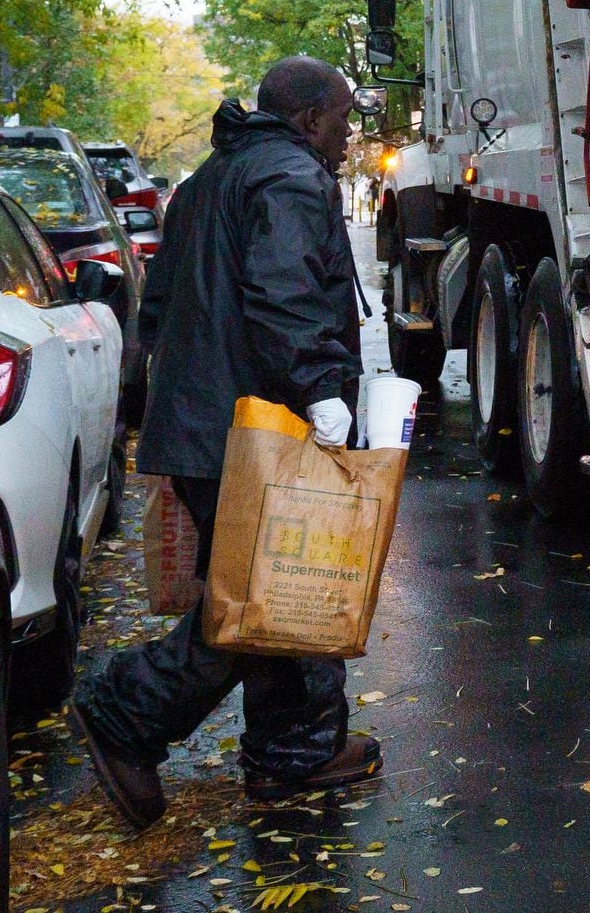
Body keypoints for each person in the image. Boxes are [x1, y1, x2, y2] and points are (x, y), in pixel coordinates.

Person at [72, 56, 382, 826]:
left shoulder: (212, 176)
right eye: (344, 119)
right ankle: (126, 714)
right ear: (310, 118)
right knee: (265, 596)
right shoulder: (292, 177)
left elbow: (161, 303)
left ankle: (294, 753)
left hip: (207, 422)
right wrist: (321, 393)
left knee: (281, 589)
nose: (349, 135)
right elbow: (284, 293)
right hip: (254, 426)